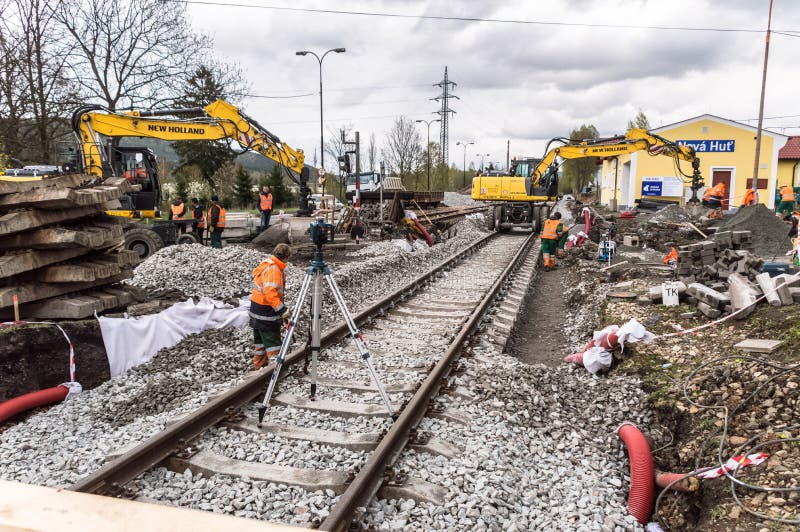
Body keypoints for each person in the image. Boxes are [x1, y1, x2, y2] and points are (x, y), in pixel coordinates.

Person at [250, 243, 292, 370]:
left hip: (257, 310)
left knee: (260, 344)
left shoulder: (268, 264)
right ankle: (274, 371)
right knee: (273, 344)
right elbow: (270, 293)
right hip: (266, 312)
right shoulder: (274, 269)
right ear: (286, 257)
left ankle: (259, 368)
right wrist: (282, 310)